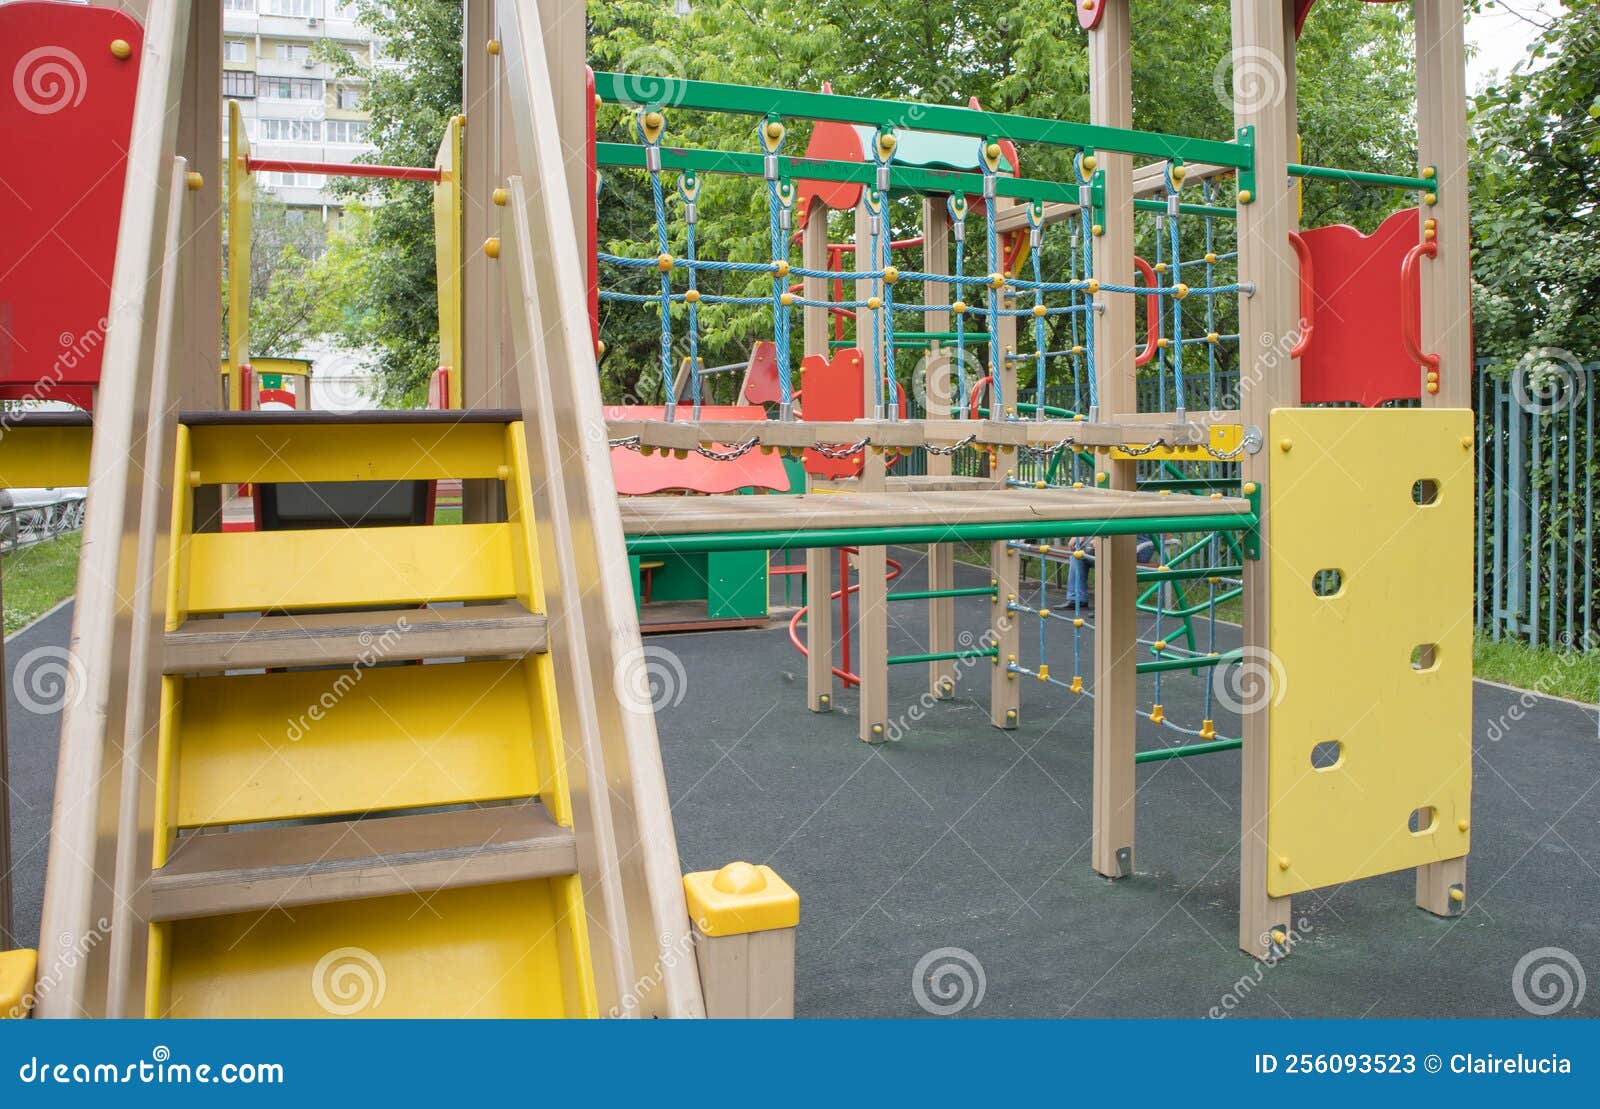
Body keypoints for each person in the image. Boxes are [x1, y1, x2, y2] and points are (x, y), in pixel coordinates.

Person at [1064, 534, 1158, 609]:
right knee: (1078, 553)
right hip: (1116, 540)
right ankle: (1077, 599)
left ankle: (1109, 607)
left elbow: (1125, 525)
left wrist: (1104, 539)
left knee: (1104, 552)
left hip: (1138, 546)